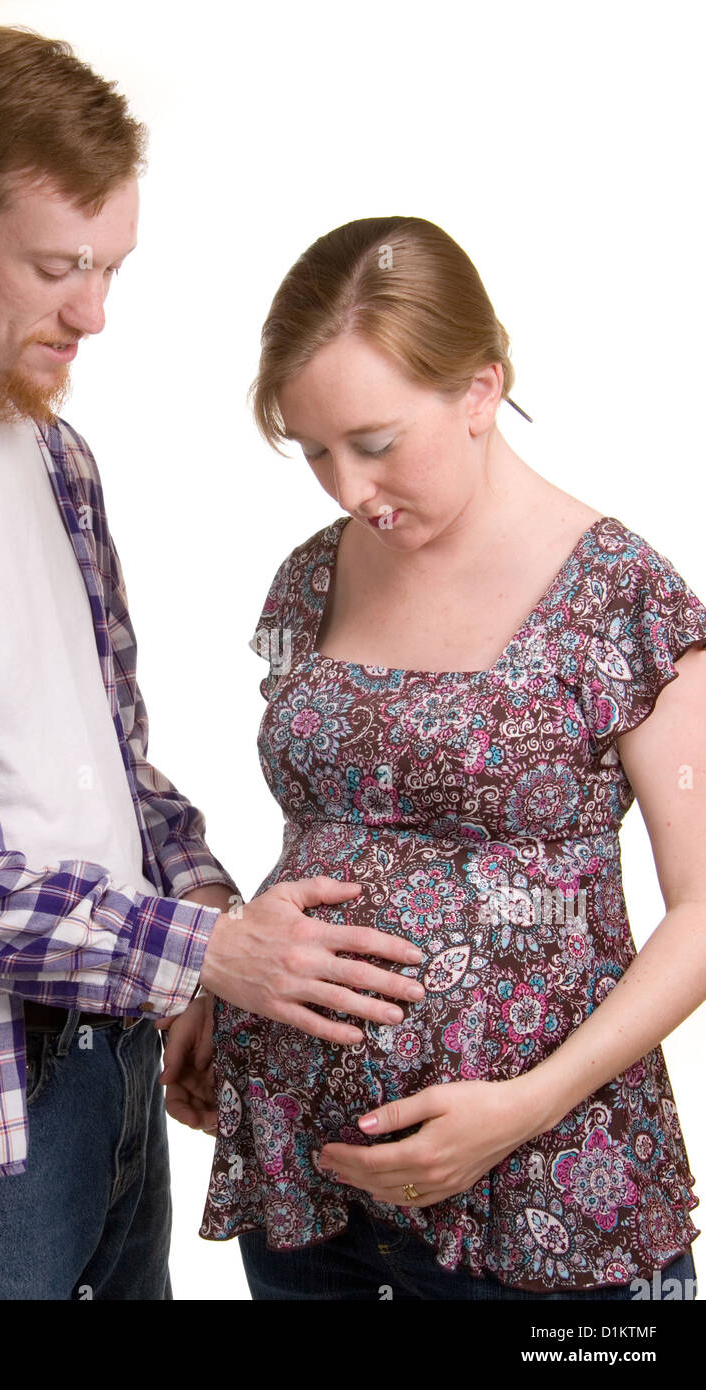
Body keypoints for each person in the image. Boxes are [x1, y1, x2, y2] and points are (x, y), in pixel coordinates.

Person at [0, 31, 423, 1301]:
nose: (94, 312)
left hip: (115, 1060)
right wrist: (201, 952)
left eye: (113, 267)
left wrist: (203, 949)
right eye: (58, 268)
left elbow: (117, 776)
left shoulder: (61, 464)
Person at [197, 214, 706, 1299]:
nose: (344, 488)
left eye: (373, 443)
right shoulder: (309, 577)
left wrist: (521, 1108)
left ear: (481, 389)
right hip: (307, 1189)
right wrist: (225, 984)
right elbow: (320, 838)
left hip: (542, 1193)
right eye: (315, 449)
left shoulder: (620, 596)